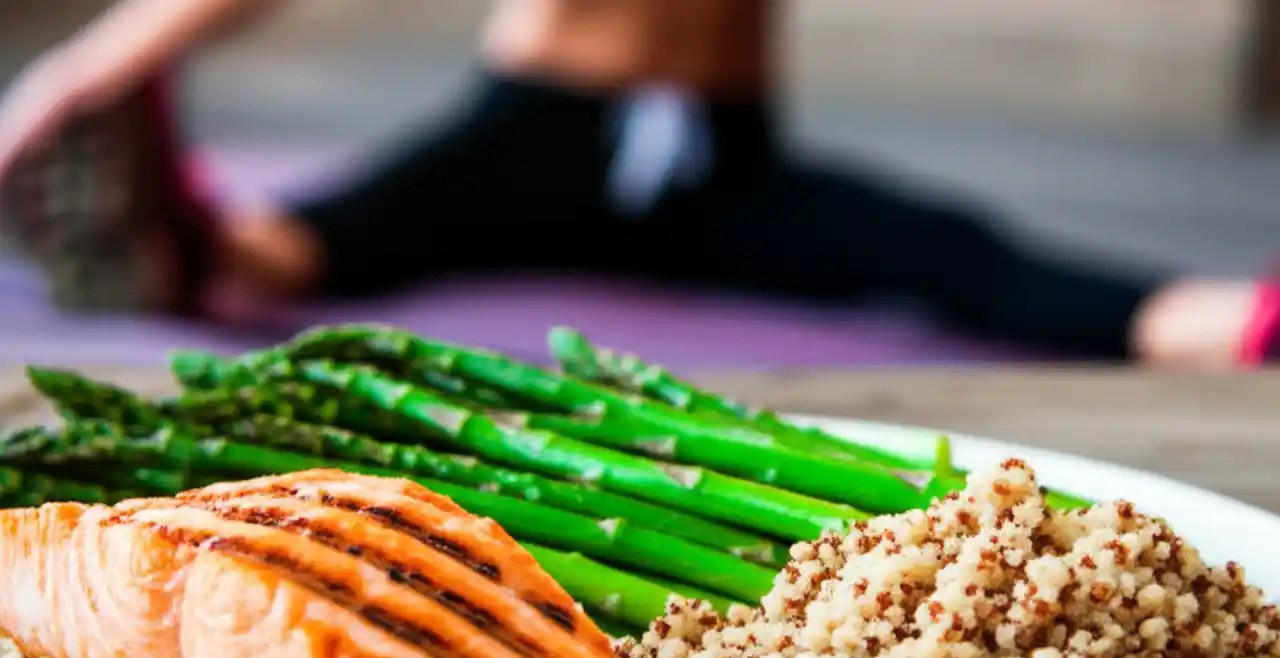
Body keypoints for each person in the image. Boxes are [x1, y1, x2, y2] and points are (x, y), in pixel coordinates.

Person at [0, 0, 1274, 368]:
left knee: (952, 255)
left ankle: (1243, 320)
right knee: (326, 242)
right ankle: (187, 235)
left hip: (729, 153)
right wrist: (90, 67)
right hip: (542, 127)